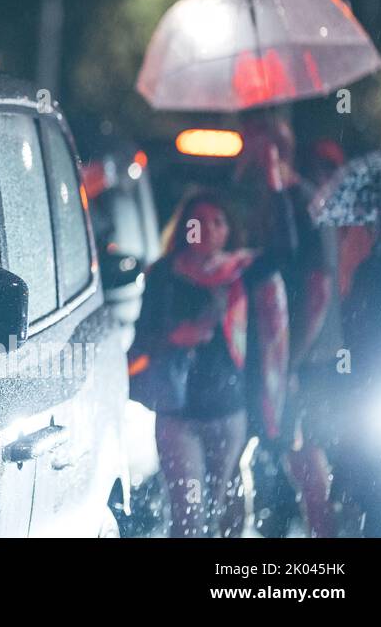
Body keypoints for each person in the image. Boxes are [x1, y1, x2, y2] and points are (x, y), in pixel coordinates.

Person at [131, 191, 289, 537]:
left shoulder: (241, 272)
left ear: (229, 230)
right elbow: (140, 340)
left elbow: (285, 252)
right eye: (198, 221)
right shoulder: (163, 275)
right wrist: (177, 337)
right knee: (187, 513)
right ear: (185, 228)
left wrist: (273, 183)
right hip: (178, 414)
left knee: (215, 511)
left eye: (218, 222)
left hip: (228, 411)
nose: (208, 229)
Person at [235, 117, 343, 537]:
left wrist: (291, 361)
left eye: (250, 143)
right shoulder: (270, 200)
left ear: (270, 150)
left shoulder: (303, 201)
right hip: (283, 354)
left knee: (304, 453)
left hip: (305, 355)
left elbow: (317, 289)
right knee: (285, 453)